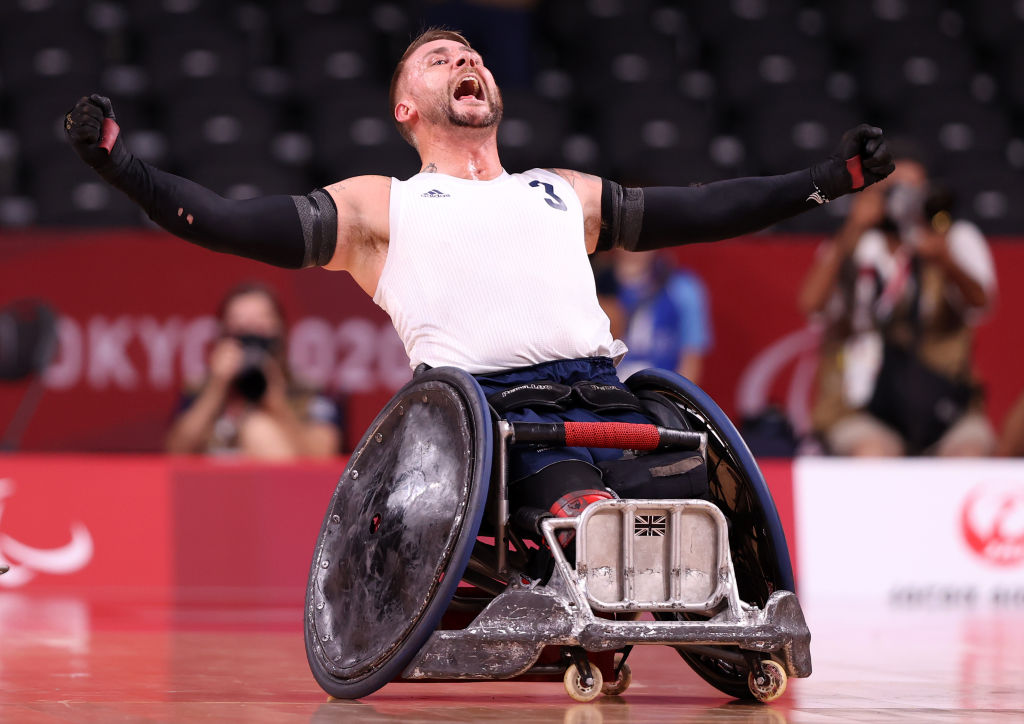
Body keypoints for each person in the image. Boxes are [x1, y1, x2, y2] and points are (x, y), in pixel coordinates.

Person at [65, 28, 892, 520]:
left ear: (492, 87)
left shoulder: (560, 192)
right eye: (438, 60)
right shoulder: (379, 206)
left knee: (696, 513)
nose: (463, 60)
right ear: (406, 108)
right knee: (592, 525)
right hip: (498, 419)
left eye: (472, 56)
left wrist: (830, 180)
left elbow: (710, 207)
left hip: (608, 397)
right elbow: (225, 220)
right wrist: (122, 168)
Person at [798, 155, 996, 457]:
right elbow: (811, 304)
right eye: (893, 190)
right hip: (861, 404)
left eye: (913, 190)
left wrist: (944, 259)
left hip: (941, 402)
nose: (904, 200)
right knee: (873, 454)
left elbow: (981, 304)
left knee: (969, 453)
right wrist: (853, 227)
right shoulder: (856, 246)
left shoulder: (954, 238)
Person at [165, 282, 342, 459]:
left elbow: (323, 457)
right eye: (240, 327)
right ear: (223, 334)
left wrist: (277, 405)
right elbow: (175, 452)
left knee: (258, 428)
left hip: (281, 484)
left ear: (282, 331)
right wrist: (216, 389)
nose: (251, 338)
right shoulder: (202, 389)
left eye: (260, 327)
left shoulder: (308, 391)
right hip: (213, 484)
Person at [613, 250, 712, 384]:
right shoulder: (596, 285)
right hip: (609, 394)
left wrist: (674, 401)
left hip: (661, 394)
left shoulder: (682, 287)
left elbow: (691, 358)